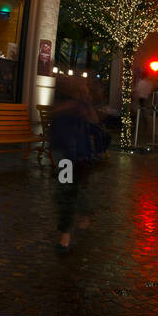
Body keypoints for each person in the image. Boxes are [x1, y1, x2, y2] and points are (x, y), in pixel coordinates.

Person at [51, 74, 101, 254]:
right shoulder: (66, 102)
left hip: (80, 155)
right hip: (67, 155)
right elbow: (56, 116)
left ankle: (82, 217)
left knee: (76, 189)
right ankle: (65, 235)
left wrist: (84, 104)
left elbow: (94, 123)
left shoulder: (83, 106)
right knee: (67, 192)